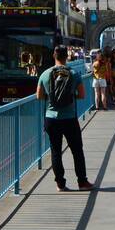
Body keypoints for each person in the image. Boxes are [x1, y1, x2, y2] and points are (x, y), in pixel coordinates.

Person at [36, 45, 93, 192]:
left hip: (51, 118)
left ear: (54, 56)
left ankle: (60, 184)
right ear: (66, 56)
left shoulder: (45, 74)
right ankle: (82, 182)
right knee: (77, 151)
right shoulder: (73, 73)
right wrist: (69, 96)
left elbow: (39, 96)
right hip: (69, 118)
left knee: (56, 151)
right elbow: (82, 95)